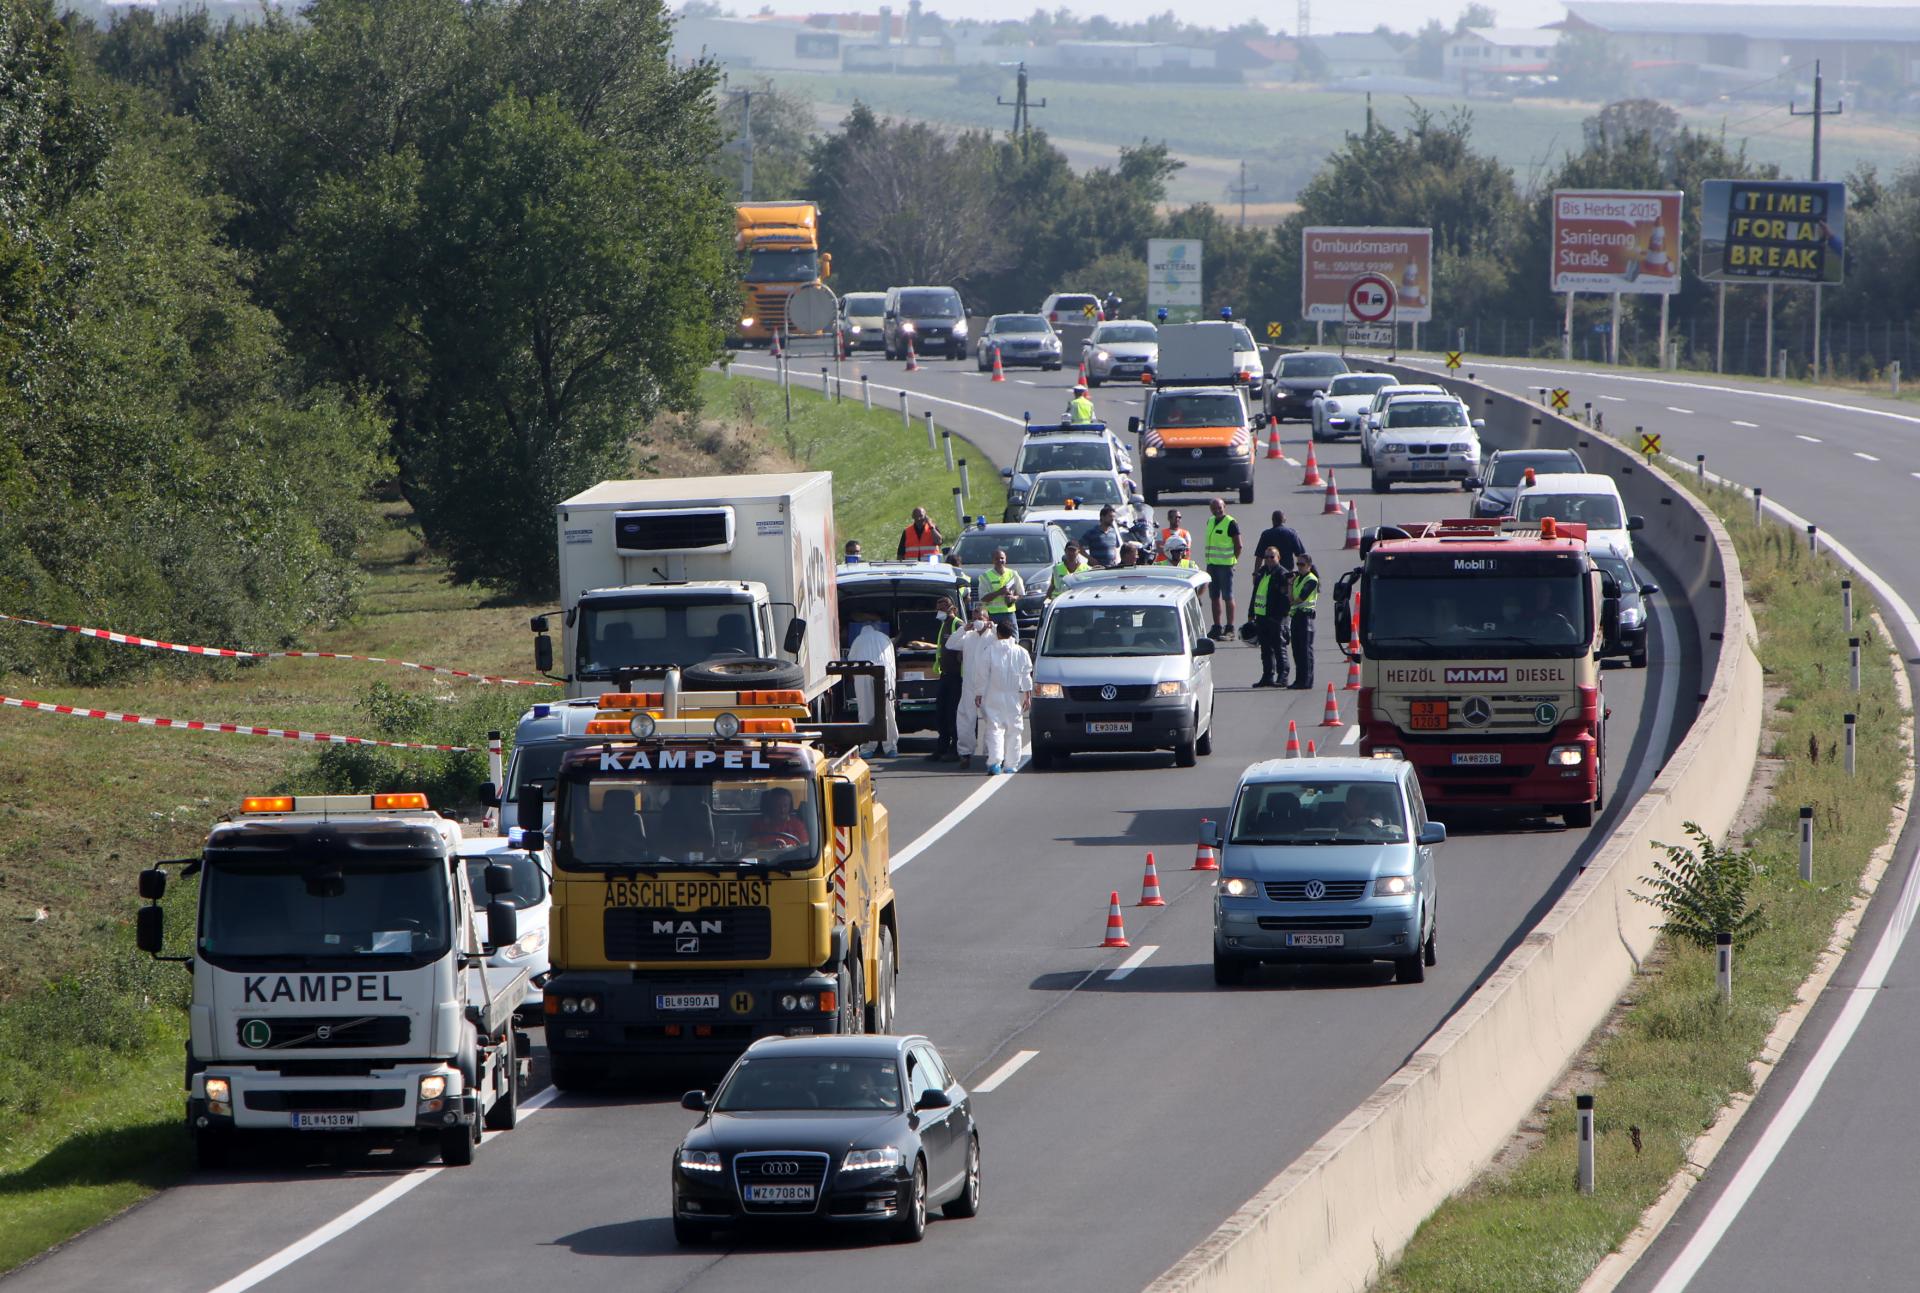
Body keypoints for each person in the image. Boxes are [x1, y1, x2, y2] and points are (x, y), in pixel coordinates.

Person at [975, 621, 1033, 775]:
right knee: (1014, 730)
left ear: (997, 633)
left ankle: (995, 763)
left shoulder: (989, 651)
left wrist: (979, 693)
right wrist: (1027, 695)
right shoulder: (1021, 652)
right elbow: (1026, 675)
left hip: (993, 694)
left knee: (994, 729)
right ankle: (1011, 765)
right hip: (1013, 696)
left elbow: (982, 675)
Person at [846, 612, 900, 756]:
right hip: (884, 674)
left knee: (866, 710)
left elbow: (851, 662)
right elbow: (892, 662)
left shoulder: (858, 640)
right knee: (887, 710)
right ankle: (891, 747)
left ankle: (867, 747)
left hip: (864, 675)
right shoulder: (885, 638)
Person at [953, 607, 995, 768]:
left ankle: (991, 752)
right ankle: (965, 753)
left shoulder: (993, 636)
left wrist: (993, 626)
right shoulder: (968, 637)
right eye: (974, 617)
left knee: (991, 719)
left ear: (987, 618)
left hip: (988, 685)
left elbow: (1008, 638)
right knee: (965, 717)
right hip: (969, 684)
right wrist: (963, 629)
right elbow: (950, 644)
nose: (977, 620)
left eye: (980, 618)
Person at [1250, 547, 1291, 688]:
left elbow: (1287, 599)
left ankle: (1283, 676)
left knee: (1280, 648)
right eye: (1266, 557)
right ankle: (1267, 676)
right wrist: (1251, 613)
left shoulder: (1282, 574)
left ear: (1278, 557)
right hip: (1262, 616)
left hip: (1277, 618)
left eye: (1271, 557)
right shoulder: (1262, 572)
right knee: (1265, 649)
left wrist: (1280, 617)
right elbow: (1255, 593)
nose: (1268, 559)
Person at [1203, 496, 1243, 639]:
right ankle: (1217, 627)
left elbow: (1239, 545)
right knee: (1214, 597)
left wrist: (1233, 561)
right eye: (1214, 508)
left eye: (1219, 508)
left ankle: (1230, 628)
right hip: (1212, 565)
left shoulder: (1231, 523)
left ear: (1224, 506)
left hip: (1225, 566)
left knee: (1227, 596)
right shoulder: (1210, 521)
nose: (1217, 511)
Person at [929, 596, 962, 761]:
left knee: (953, 713)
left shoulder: (958, 624)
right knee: (941, 712)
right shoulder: (943, 625)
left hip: (957, 676)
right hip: (945, 674)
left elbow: (965, 645)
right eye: (939, 608)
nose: (941, 611)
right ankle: (941, 747)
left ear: (953, 609)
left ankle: (955, 748)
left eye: (944, 608)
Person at [1288, 553, 1320, 689]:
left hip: (1306, 617)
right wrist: (1290, 584)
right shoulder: (1297, 579)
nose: (1299, 567)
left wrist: (1293, 600)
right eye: (1298, 564)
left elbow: (1300, 598)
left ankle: (1306, 681)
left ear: (1309, 566)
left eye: (1302, 564)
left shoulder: (1311, 579)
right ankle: (1299, 679)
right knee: (1296, 650)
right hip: (1296, 616)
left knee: (1305, 651)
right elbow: (1291, 599)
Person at [746, 787, 810, 851]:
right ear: (770, 806)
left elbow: (805, 848)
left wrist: (788, 848)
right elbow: (750, 848)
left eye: (785, 806)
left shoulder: (797, 825)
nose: (782, 810)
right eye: (778, 806)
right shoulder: (758, 824)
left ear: (790, 806)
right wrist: (768, 847)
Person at [979, 548, 1025, 632]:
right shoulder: (985, 576)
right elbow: (983, 598)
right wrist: (999, 592)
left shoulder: (1013, 574)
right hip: (992, 615)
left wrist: (1013, 598)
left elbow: (1021, 594)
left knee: (1013, 639)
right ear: (993, 560)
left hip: (1009, 614)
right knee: (993, 639)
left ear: (1005, 559)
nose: (1000, 560)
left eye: (1002, 558)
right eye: (997, 558)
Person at [1252, 509, 1306, 574]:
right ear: (1284, 520)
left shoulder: (1266, 534)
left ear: (1272, 520)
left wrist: (1255, 572)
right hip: (1287, 572)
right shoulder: (1292, 533)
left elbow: (1259, 556)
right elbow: (1301, 554)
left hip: (1270, 572)